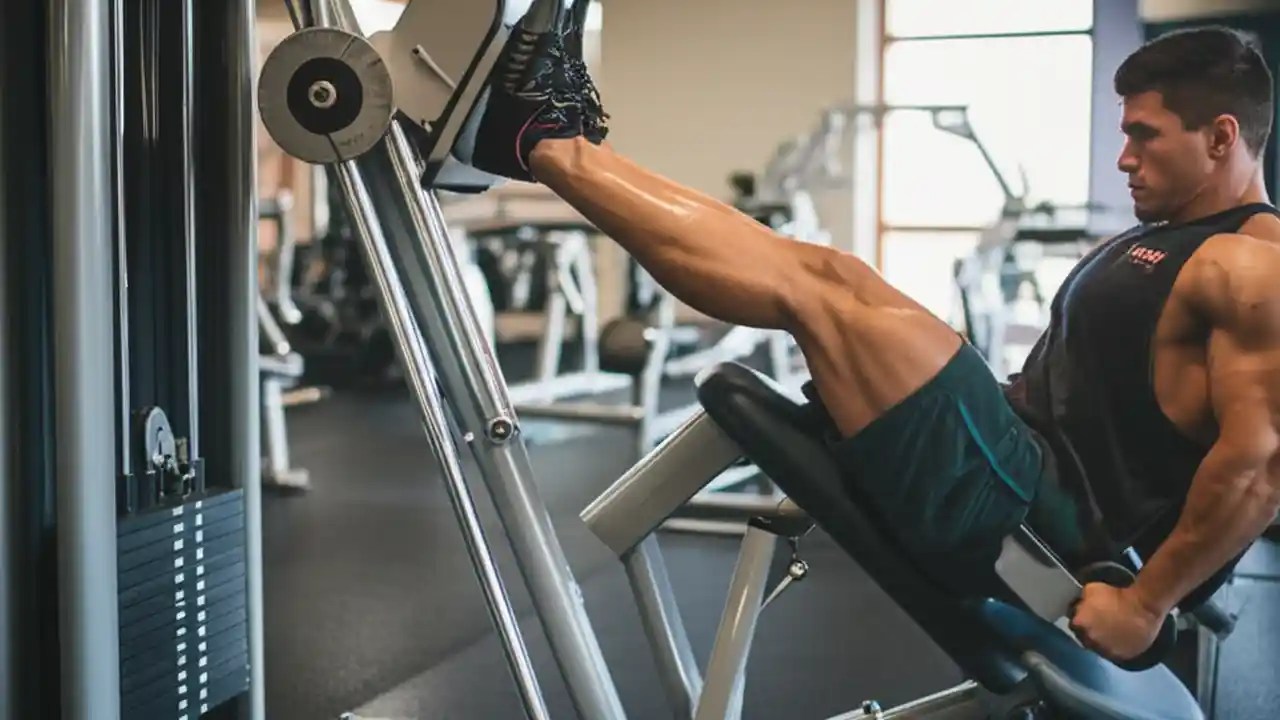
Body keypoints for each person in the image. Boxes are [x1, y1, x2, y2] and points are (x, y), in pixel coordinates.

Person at [461, 12, 1280, 665]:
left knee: (816, 289)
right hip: (1018, 458)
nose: (1125, 157)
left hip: (1034, 521)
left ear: (1219, 139)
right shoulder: (1188, 239)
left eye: (1146, 136)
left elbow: (1260, 465)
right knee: (829, 273)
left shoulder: (1253, 268)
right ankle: (551, 139)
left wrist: (1144, 605)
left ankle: (540, 141)